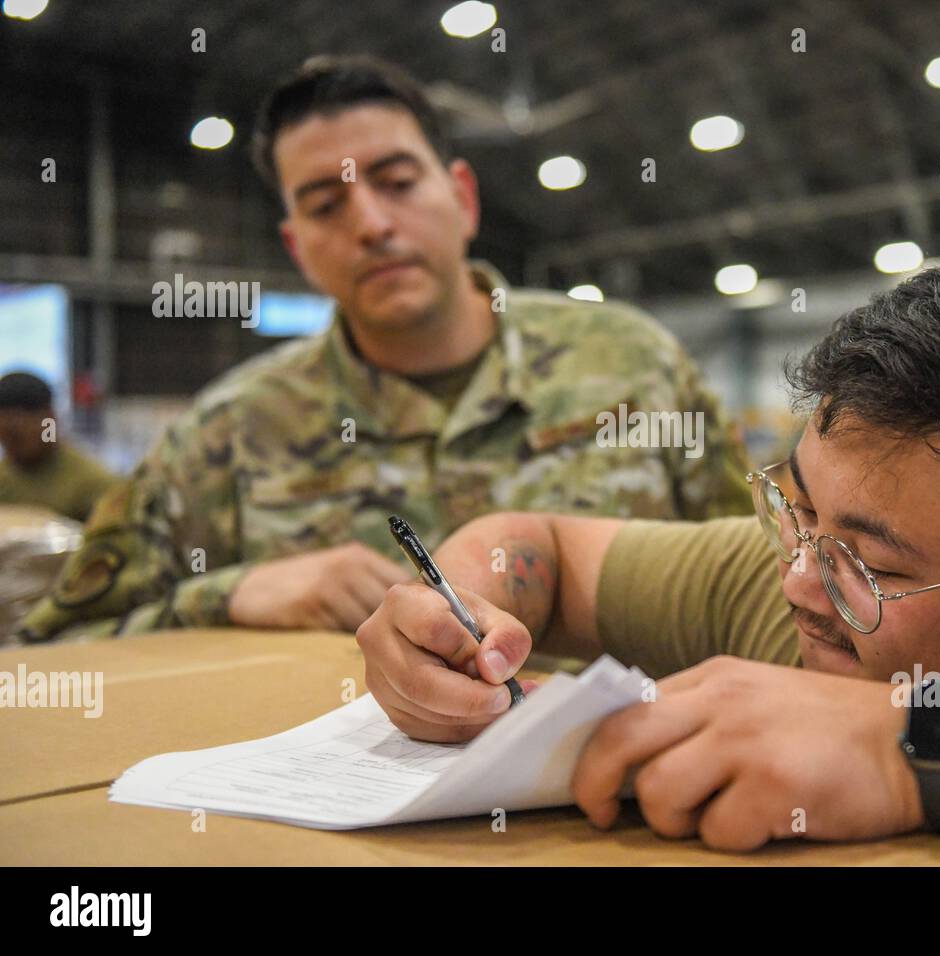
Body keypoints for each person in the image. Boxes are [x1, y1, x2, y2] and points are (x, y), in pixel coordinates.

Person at [356, 261, 940, 864]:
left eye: (875, 567)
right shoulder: (794, 588)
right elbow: (543, 545)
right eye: (797, 509)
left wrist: (907, 745)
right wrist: (462, 607)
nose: (798, 580)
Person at [18, 55, 750, 643]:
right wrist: (229, 593)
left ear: (462, 197)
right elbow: (56, 644)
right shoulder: (230, 435)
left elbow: (771, 581)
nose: (370, 222)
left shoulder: (634, 367)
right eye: (326, 205)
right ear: (296, 247)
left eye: (397, 182)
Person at [0, 371, 116, 522]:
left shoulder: (93, 485)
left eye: (19, 437)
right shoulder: (4, 479)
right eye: (7, 438)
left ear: (50, 420)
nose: (13, 447)